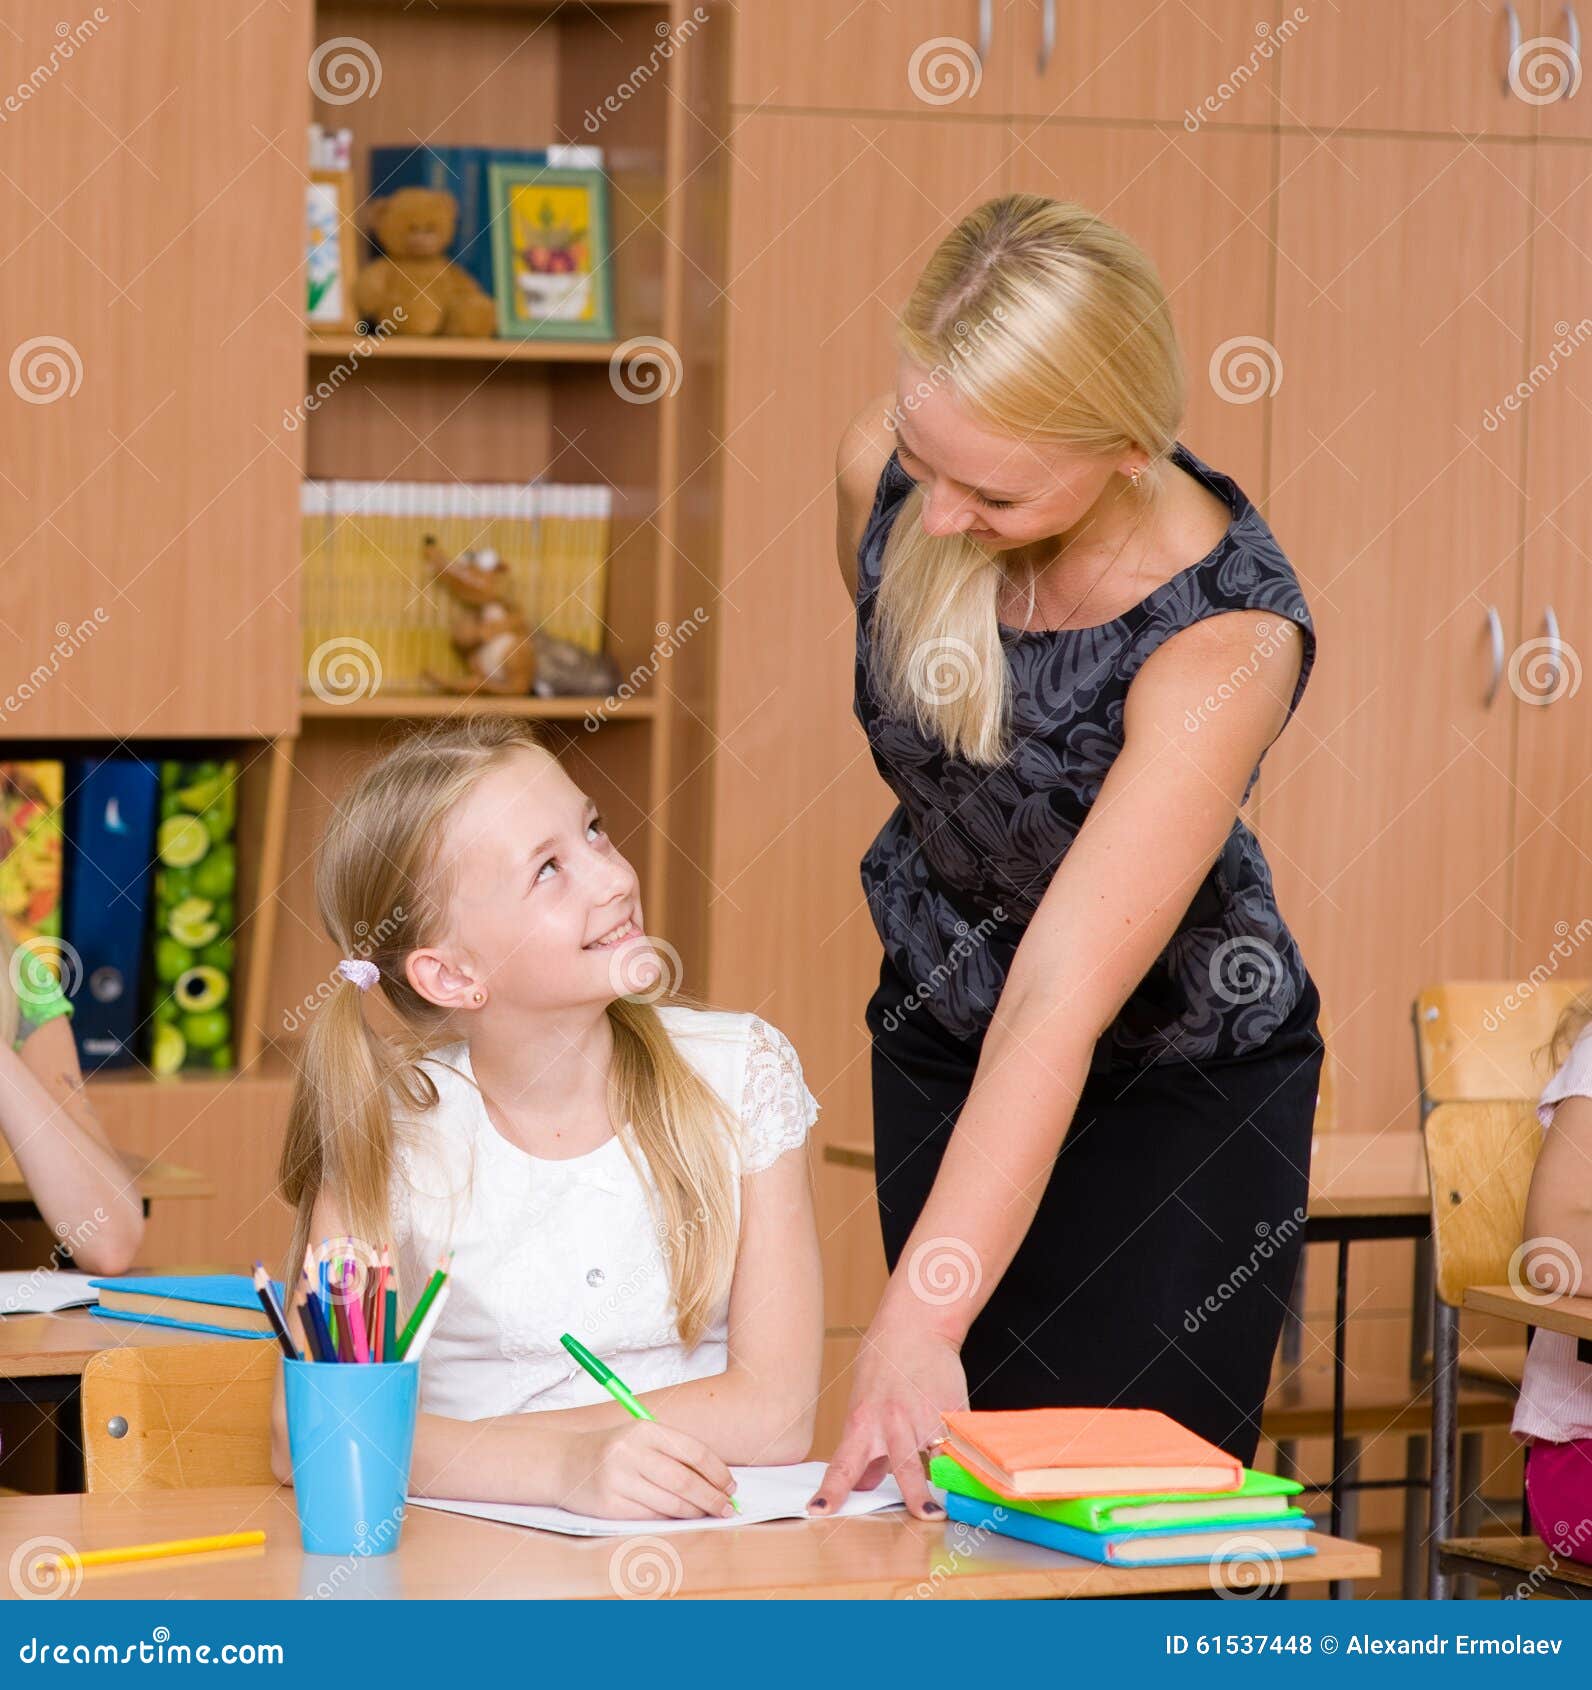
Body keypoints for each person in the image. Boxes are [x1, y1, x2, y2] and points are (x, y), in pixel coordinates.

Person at [812, 194, 1324, 1519]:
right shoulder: (891, 466)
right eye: (926, 461)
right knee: (955, 1521)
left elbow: (1061, 996)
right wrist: (932, 1317)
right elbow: (937, 747)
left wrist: (916, 1313)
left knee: (1119, 1536)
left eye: (991, 490)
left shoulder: (1226, 639)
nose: (933, 517)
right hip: (943, 1035)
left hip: (1172, 1093)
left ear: (1124, 447)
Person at [269, 719, 824, 1521]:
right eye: (549, 871)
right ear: (452, 974)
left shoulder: (741, 1073)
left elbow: (776, 1414)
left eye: (593, 830)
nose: (611, 878)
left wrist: (456, 1446)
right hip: (467, 1571)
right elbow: (306, 1436)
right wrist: (560, 1466)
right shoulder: (394, 1129)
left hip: (707, 1554)